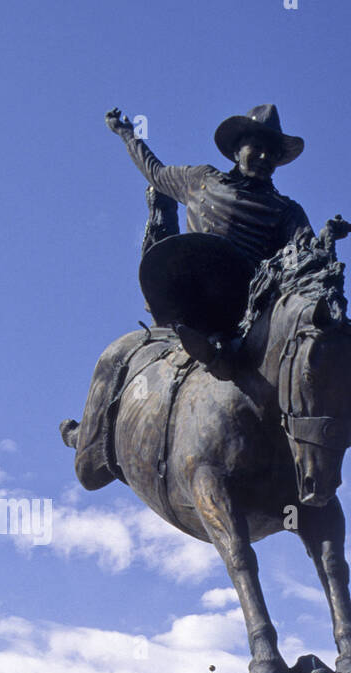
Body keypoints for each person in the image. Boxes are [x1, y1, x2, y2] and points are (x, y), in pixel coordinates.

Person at [62, 103, 314, 489]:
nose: (264, 158)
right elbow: (156, 172)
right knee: (122, 358)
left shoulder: (285, 212)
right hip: (191, 301)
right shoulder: (200, 180)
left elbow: (306, 254)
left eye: (272, 153)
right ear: (236, 149)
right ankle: (93, 435)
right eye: (256, 147)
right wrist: (127, 134)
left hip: (244, 314)